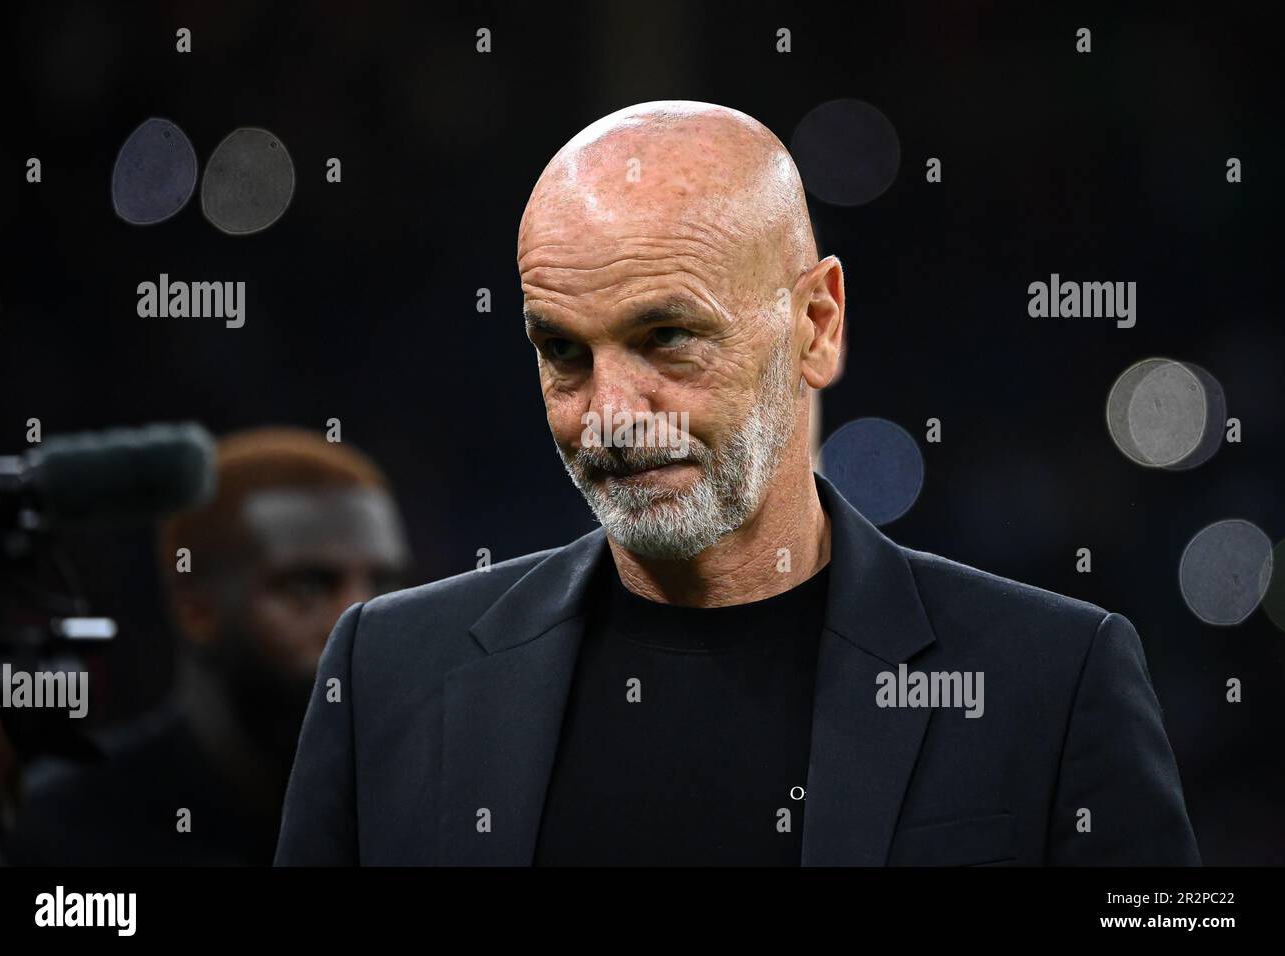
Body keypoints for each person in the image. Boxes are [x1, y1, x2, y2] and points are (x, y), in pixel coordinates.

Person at [275, 101, 1200, 866]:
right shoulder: (387, 676)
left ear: (816, 324)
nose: (611, 414)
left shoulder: (1054, 682)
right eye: (562, 352)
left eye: (666, 337)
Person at [0, 427, 412, 865]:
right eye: (309, 586)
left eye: (384, 585)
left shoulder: (436, 815)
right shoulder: (48, 837)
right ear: (196, 610)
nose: (361, 619)